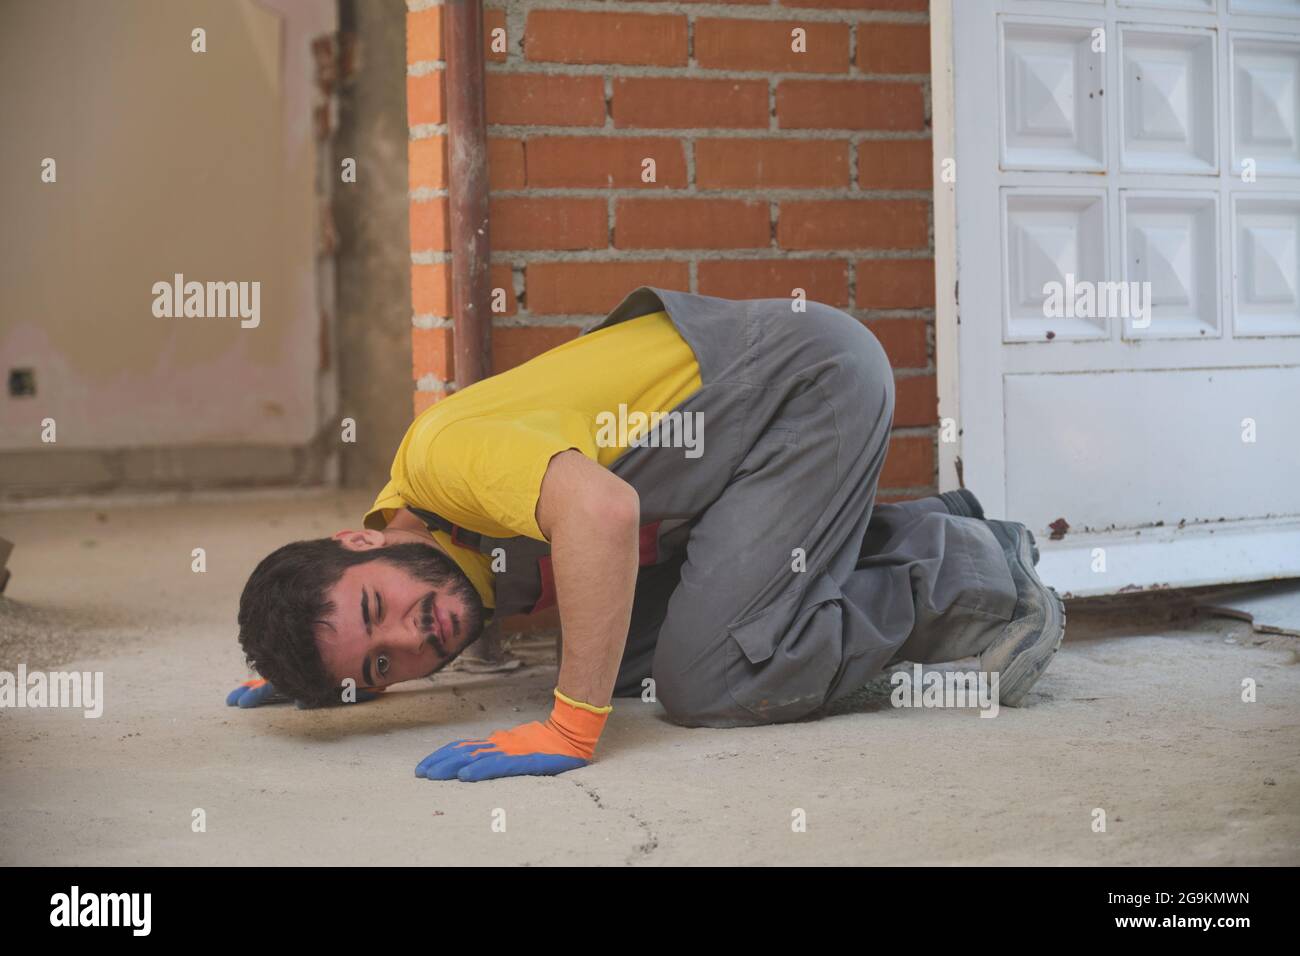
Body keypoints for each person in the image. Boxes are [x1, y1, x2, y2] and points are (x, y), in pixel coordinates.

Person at [229, 286, 1065, 782]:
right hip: (747, 451)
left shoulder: (443, 461)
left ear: (362, 540)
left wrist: (571, 727)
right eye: (381, 666)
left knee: (709, 680)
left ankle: (972, 580)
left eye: (378, 605)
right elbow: (351, 627)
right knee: (627, 661)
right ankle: (935, 533)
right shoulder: (423, 543)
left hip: (804, 390)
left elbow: (604, 514)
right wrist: (316, 670)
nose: (414, 635)